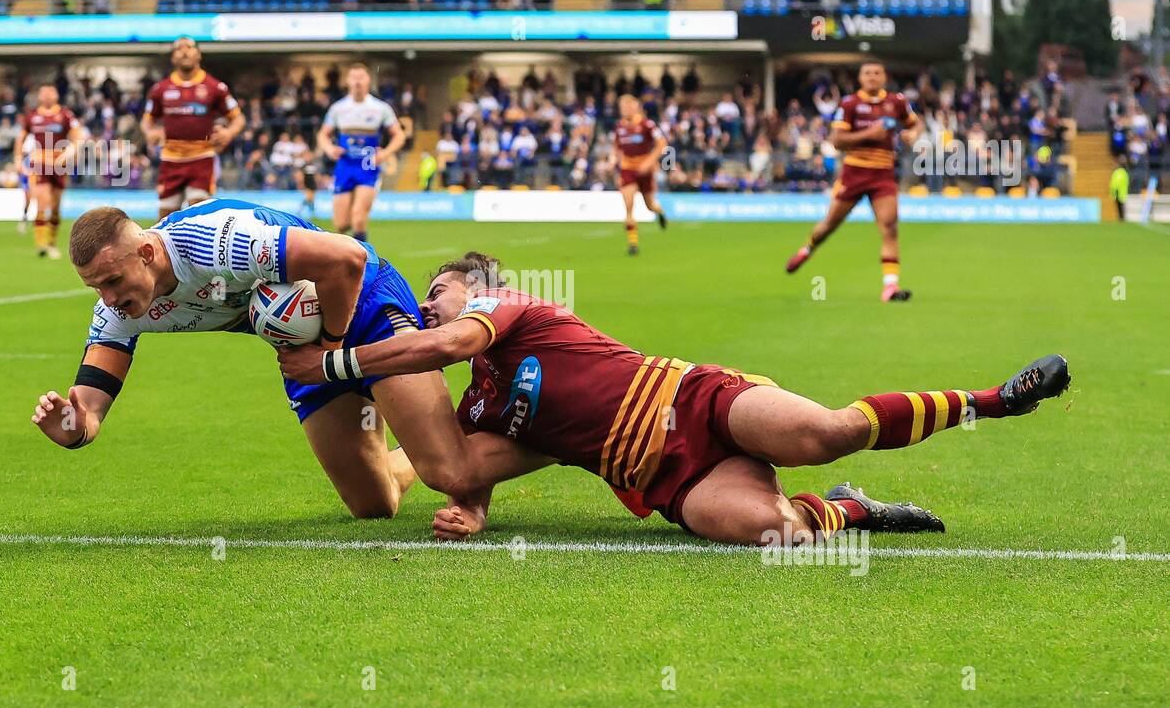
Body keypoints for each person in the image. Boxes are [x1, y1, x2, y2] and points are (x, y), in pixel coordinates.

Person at [277, 253, 1071, 545]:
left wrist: (336, 364)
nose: (429, 305)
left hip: (691, 401)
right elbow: (473, 468)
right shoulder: (475, 412)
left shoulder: (513, 308)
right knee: (772, 532)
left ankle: (997, 399)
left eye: (439, 291)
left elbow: (447, 344)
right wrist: (472, 511)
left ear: (480, 289)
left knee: (827, 430)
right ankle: (851, 511)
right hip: (669, 480)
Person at [30, 200, 486, 521]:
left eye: (112, 280)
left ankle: (500, 429)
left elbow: (347, 257)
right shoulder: (119, 312)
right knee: (375, 506)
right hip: (304, 347)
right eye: (96, 289)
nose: (108, 300)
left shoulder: (215, 242)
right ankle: (416, 446)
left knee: (447, 472)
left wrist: (329, 352)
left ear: (147, 253)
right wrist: (74, 429)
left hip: (364, 306)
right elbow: (89, 407)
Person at [785, 61, 924, 301]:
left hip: (883, 174)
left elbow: (916, 122)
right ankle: (808, 247)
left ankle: (890, 286)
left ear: (884, 77)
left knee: (890, 227)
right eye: (868, 73)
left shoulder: (896, 102)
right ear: (860, 78)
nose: (872, 77)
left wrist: (913, 133)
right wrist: (871, 134)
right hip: (854, 172)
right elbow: (837, 140)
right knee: (829, 225)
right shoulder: (850, 104)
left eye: (877, 73)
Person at [141, 37, 246, 219]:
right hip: (170, 159)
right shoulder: (160, 89)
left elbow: (238, 118)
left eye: (189, 47)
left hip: (202, 157)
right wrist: (150, 132)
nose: (184, 51)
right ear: (173, 58)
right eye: (178, 49)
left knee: (200, 213)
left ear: (199, 54)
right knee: (165, 218)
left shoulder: (215, 87)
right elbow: (146, 120)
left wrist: (229, 132)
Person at [315, 62, 406, 242]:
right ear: (348, 81)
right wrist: (329, 148)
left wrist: (385, 153)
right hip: (345, 165)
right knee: (340, 224)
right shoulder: (338, 108)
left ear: (368, 80)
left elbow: (399, 136)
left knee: (358, 218)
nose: (358, 82)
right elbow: (322, 135)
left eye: (361, 77)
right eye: (354, 78)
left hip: (367, 166)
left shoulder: (380, 108)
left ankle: (364, 263)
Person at [15, 84, 85, 259]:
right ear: (39, 96)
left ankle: (52, 243)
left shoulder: (65, 115)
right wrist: (17, 158)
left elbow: (78, 137)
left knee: (55, 207)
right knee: (42, 201)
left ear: (55, 95)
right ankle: (41, 245)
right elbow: (20, 138)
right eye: (43, 92)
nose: (47, 95)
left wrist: (70, 152)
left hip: (60, 163)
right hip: (39, 163)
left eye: (50, 92)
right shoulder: (32, 116)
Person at [610, 94, 669, 256]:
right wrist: (612, 160)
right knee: (628, 206)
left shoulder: (647, 125)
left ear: (636, 107)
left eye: (629, 106)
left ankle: (660, 212)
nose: (626, 109)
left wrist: (649, 162)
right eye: (623, 107)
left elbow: (662, 144)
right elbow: (616, 147)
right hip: (628, 168)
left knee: (650, 205)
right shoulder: (619, 127)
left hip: (645, 169)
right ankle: (633, 243)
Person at [1110, 155, 1129, 221]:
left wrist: (1113, 190)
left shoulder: (1119, 172)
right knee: (1120, 206)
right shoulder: (1123, 172)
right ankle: (1121, 218)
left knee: (1120, 206)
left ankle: (1122, 218)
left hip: (1119, 191)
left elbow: (1115, 182)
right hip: (1121, 191)